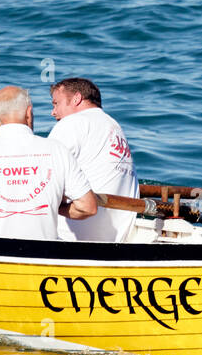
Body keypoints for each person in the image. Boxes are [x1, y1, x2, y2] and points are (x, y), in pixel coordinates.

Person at [0, 85, 97, 240]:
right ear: (29, 113)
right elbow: (88, 207)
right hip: (42, 253)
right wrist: (54, 205)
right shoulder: (57, 150)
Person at [47, 77, 140, 242]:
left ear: (76, 98)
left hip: (71, 239)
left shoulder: (73, 123)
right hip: (117, 238)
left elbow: (44, 177)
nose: (53, 112)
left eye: (56, 103)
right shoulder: (114, 126)